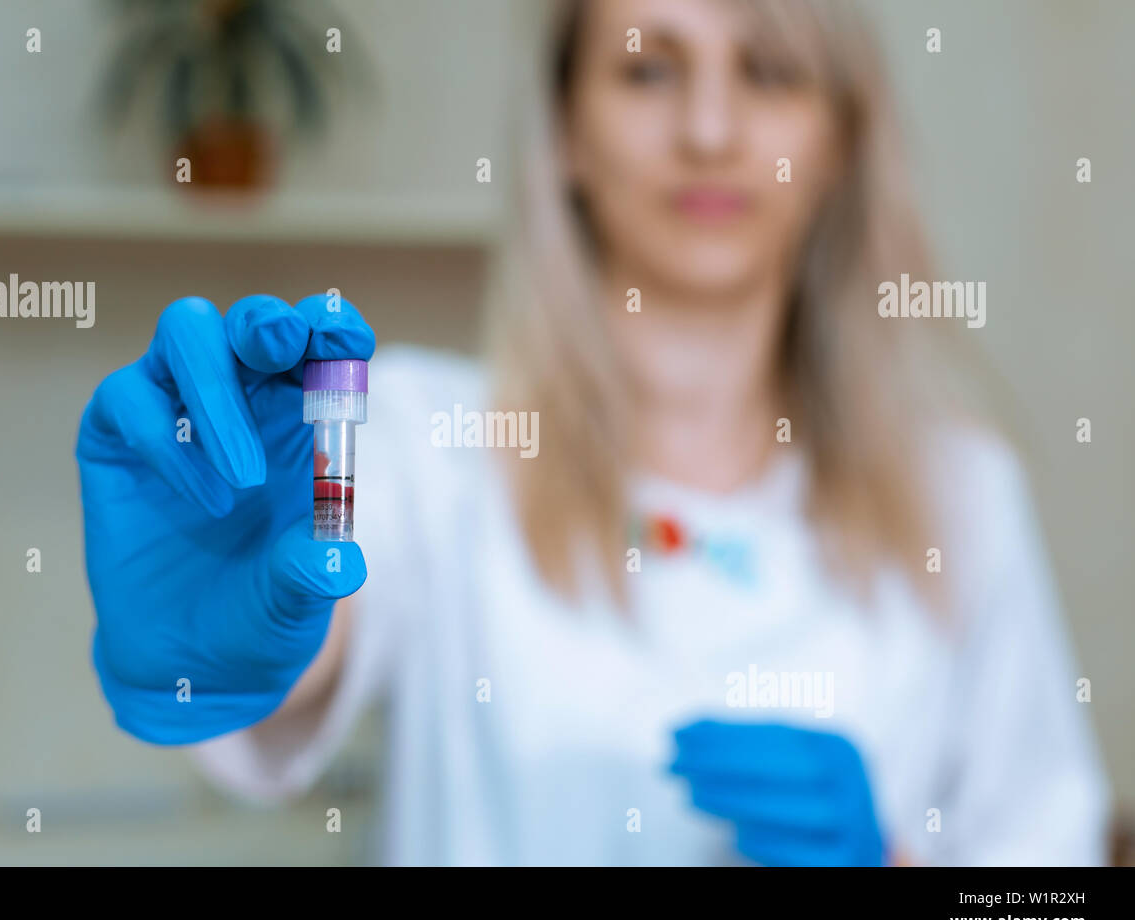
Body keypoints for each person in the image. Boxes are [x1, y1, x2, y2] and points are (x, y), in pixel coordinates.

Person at [75, 0, 1109, 865]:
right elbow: (307, 630)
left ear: (840, 137)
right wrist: (209, 642)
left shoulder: (962, 493)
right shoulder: (421, 440)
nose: (710, 129)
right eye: (647, 71)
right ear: (566, 128)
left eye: (771, 72)